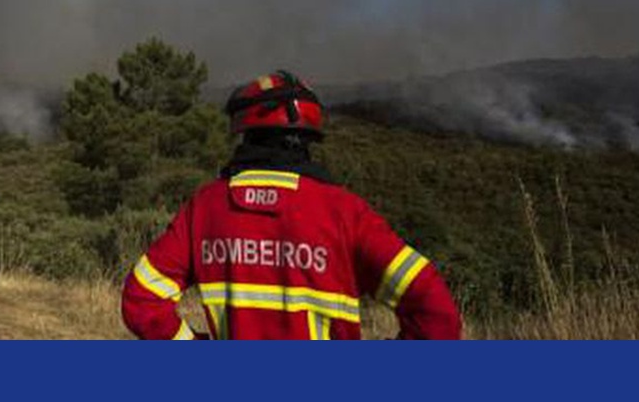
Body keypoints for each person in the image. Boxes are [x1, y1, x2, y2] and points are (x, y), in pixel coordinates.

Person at [121, 70, 462, 340]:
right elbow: (436, 311)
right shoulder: (344, 212)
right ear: (307, 140)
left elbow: (142, 299)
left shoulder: (207, 207)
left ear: (246, 132)